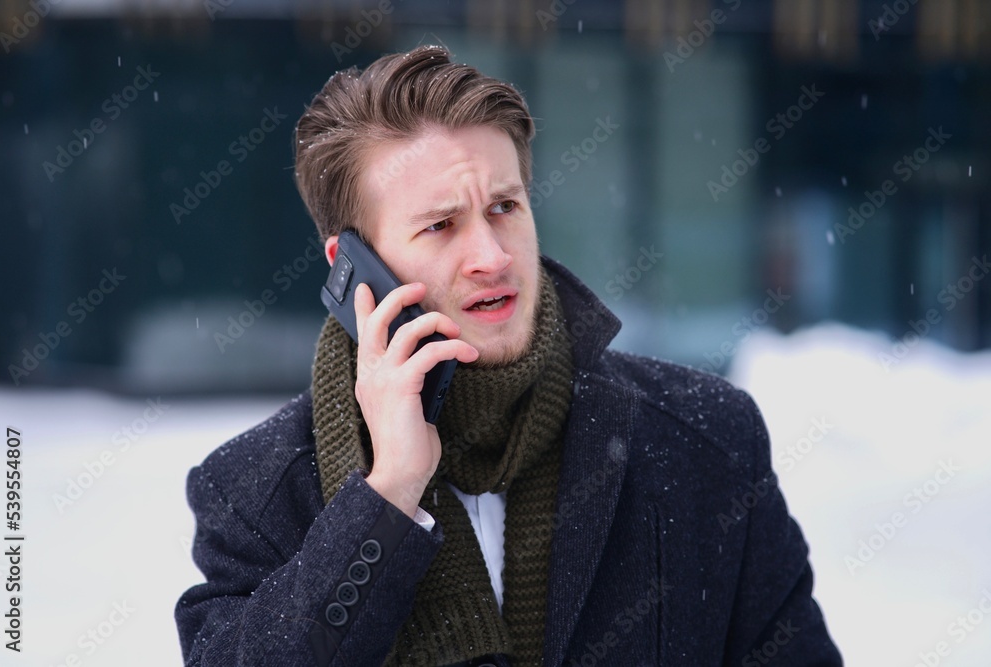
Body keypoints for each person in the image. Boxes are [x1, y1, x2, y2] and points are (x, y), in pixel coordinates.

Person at [175, 45, 842, 666]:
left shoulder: (705, 441)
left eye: (504, 208)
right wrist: (386, 498)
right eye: (441, 225)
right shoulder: (256, 494)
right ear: (352, 266)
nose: (492, 257)